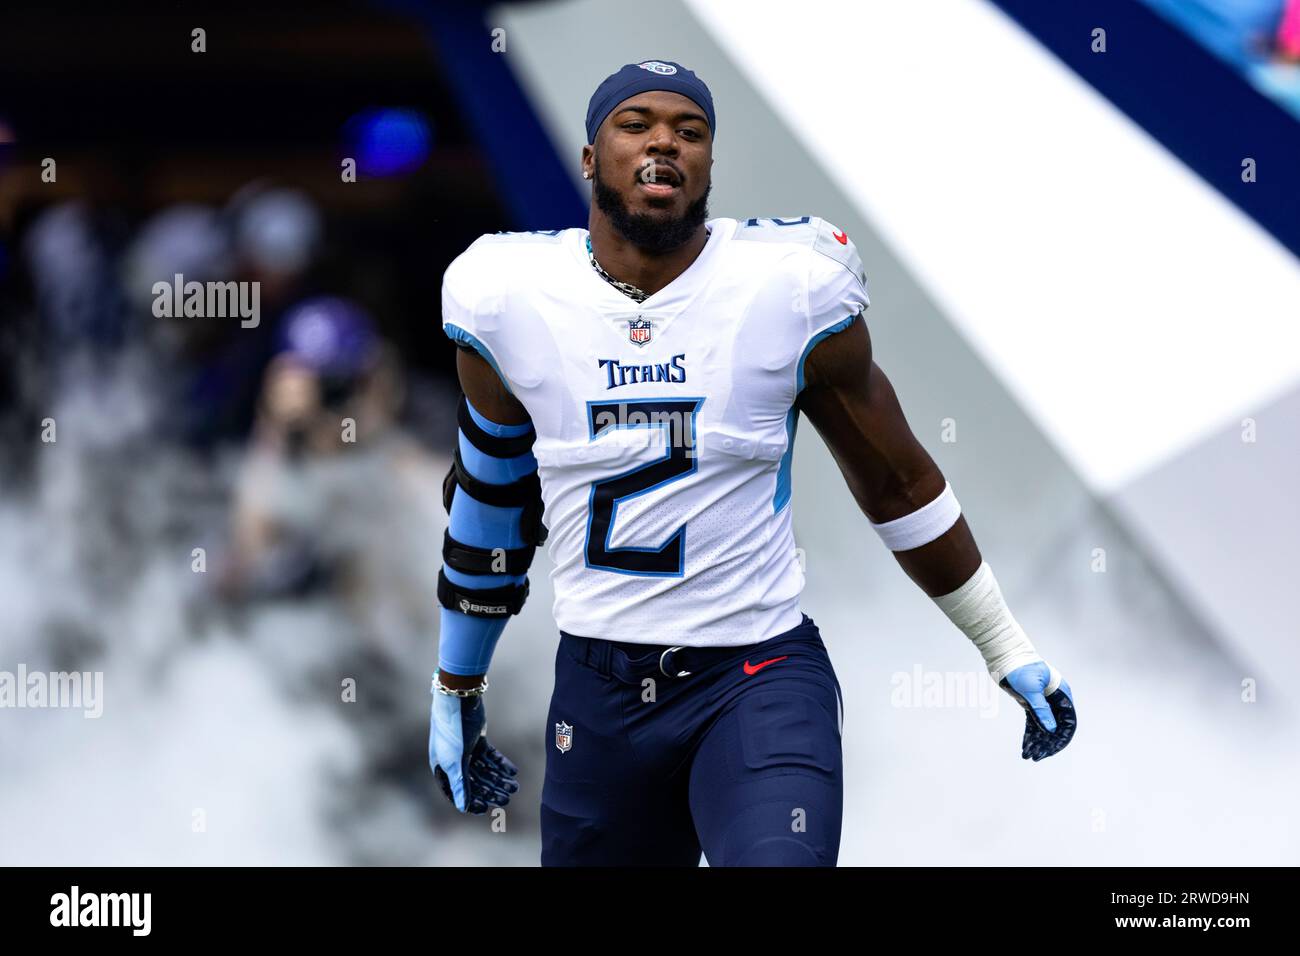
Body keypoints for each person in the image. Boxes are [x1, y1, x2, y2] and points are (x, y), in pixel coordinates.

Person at [428, 60, 1078, 866]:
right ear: (591, 157)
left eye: (689, 129)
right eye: (635, 124)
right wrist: (457, 681)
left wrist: (1004, 643)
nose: (664, 140)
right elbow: (493, 498)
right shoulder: (506, 295)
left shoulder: (790, 287)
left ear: (708, 162)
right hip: (596, 694)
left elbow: (897, 481)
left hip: (756, 674)